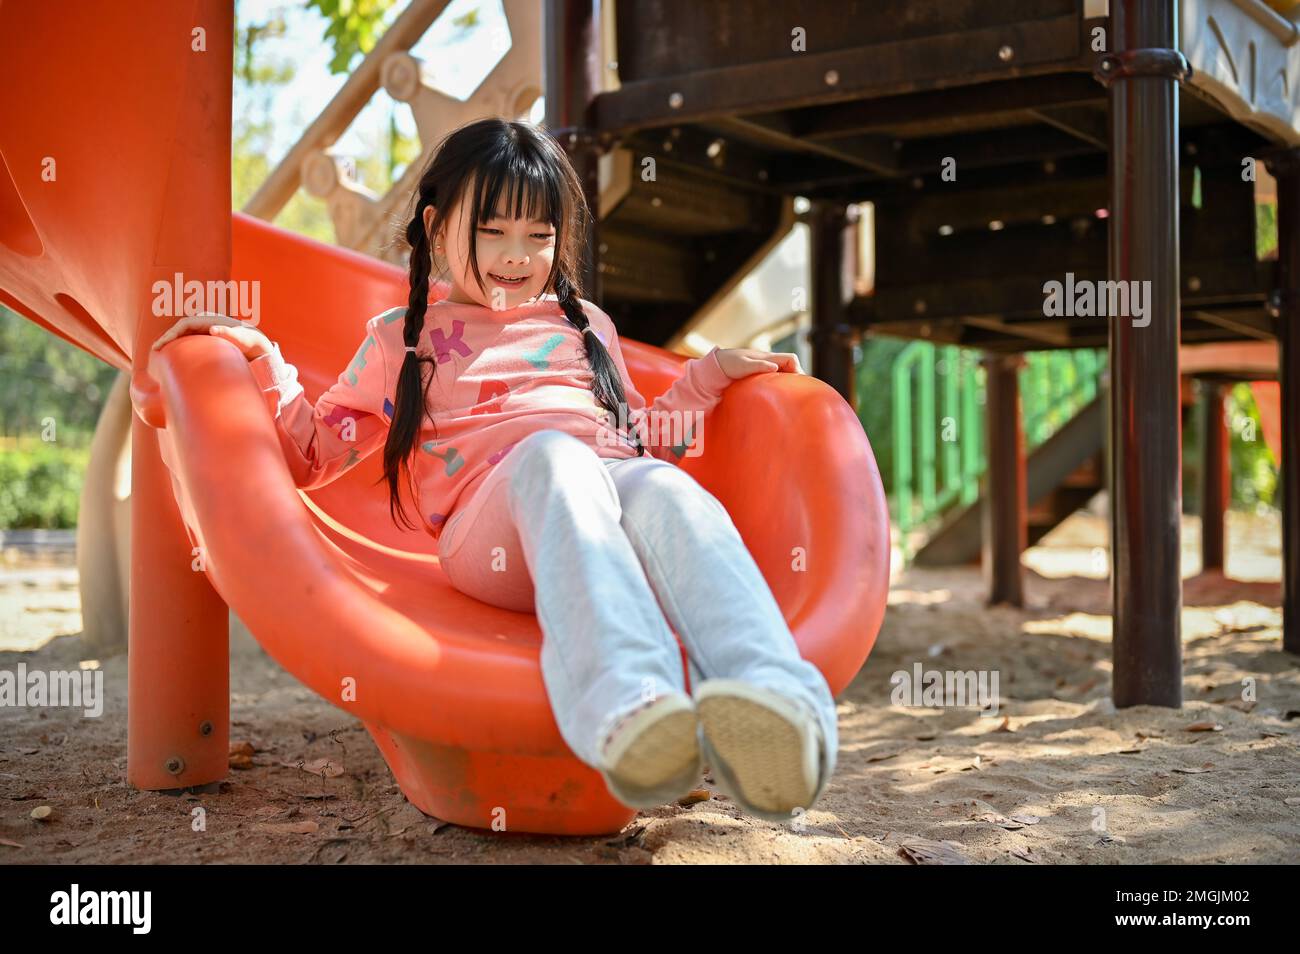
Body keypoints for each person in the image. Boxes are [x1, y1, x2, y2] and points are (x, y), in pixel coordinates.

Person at [151, 117, 839, 823]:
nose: (518, 256)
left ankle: (781, 706)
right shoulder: (401, 339)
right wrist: (263, 359)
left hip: (594, 509)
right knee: (555, 457)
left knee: (667, 489)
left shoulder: (584, 325)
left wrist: (708, 378)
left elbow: (640, 447)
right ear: (437, 223)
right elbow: (311, 456)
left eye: (539, 236)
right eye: (493, 231)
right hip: (493, 536)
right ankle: (629, 705)